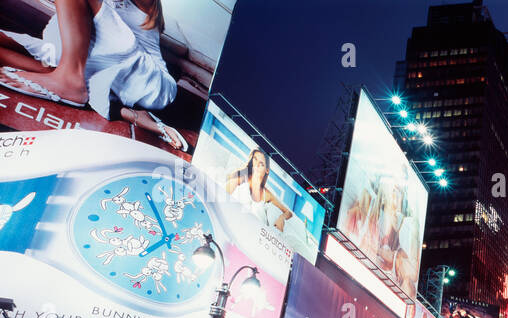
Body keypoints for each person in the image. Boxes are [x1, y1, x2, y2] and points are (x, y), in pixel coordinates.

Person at [0, 0, 187, 151]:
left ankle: (68, 80)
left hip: (148, 81)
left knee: (70, 57)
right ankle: (62, 77)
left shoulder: (145, 4)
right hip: (89, 63)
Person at [226, 149, 294, 233]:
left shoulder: (267, 194)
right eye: (255, 159)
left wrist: (281, 218)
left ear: (267, 170)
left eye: (261, 164)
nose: (257, 165)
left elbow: (288, 213)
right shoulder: (240, 178)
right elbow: (223, 195)